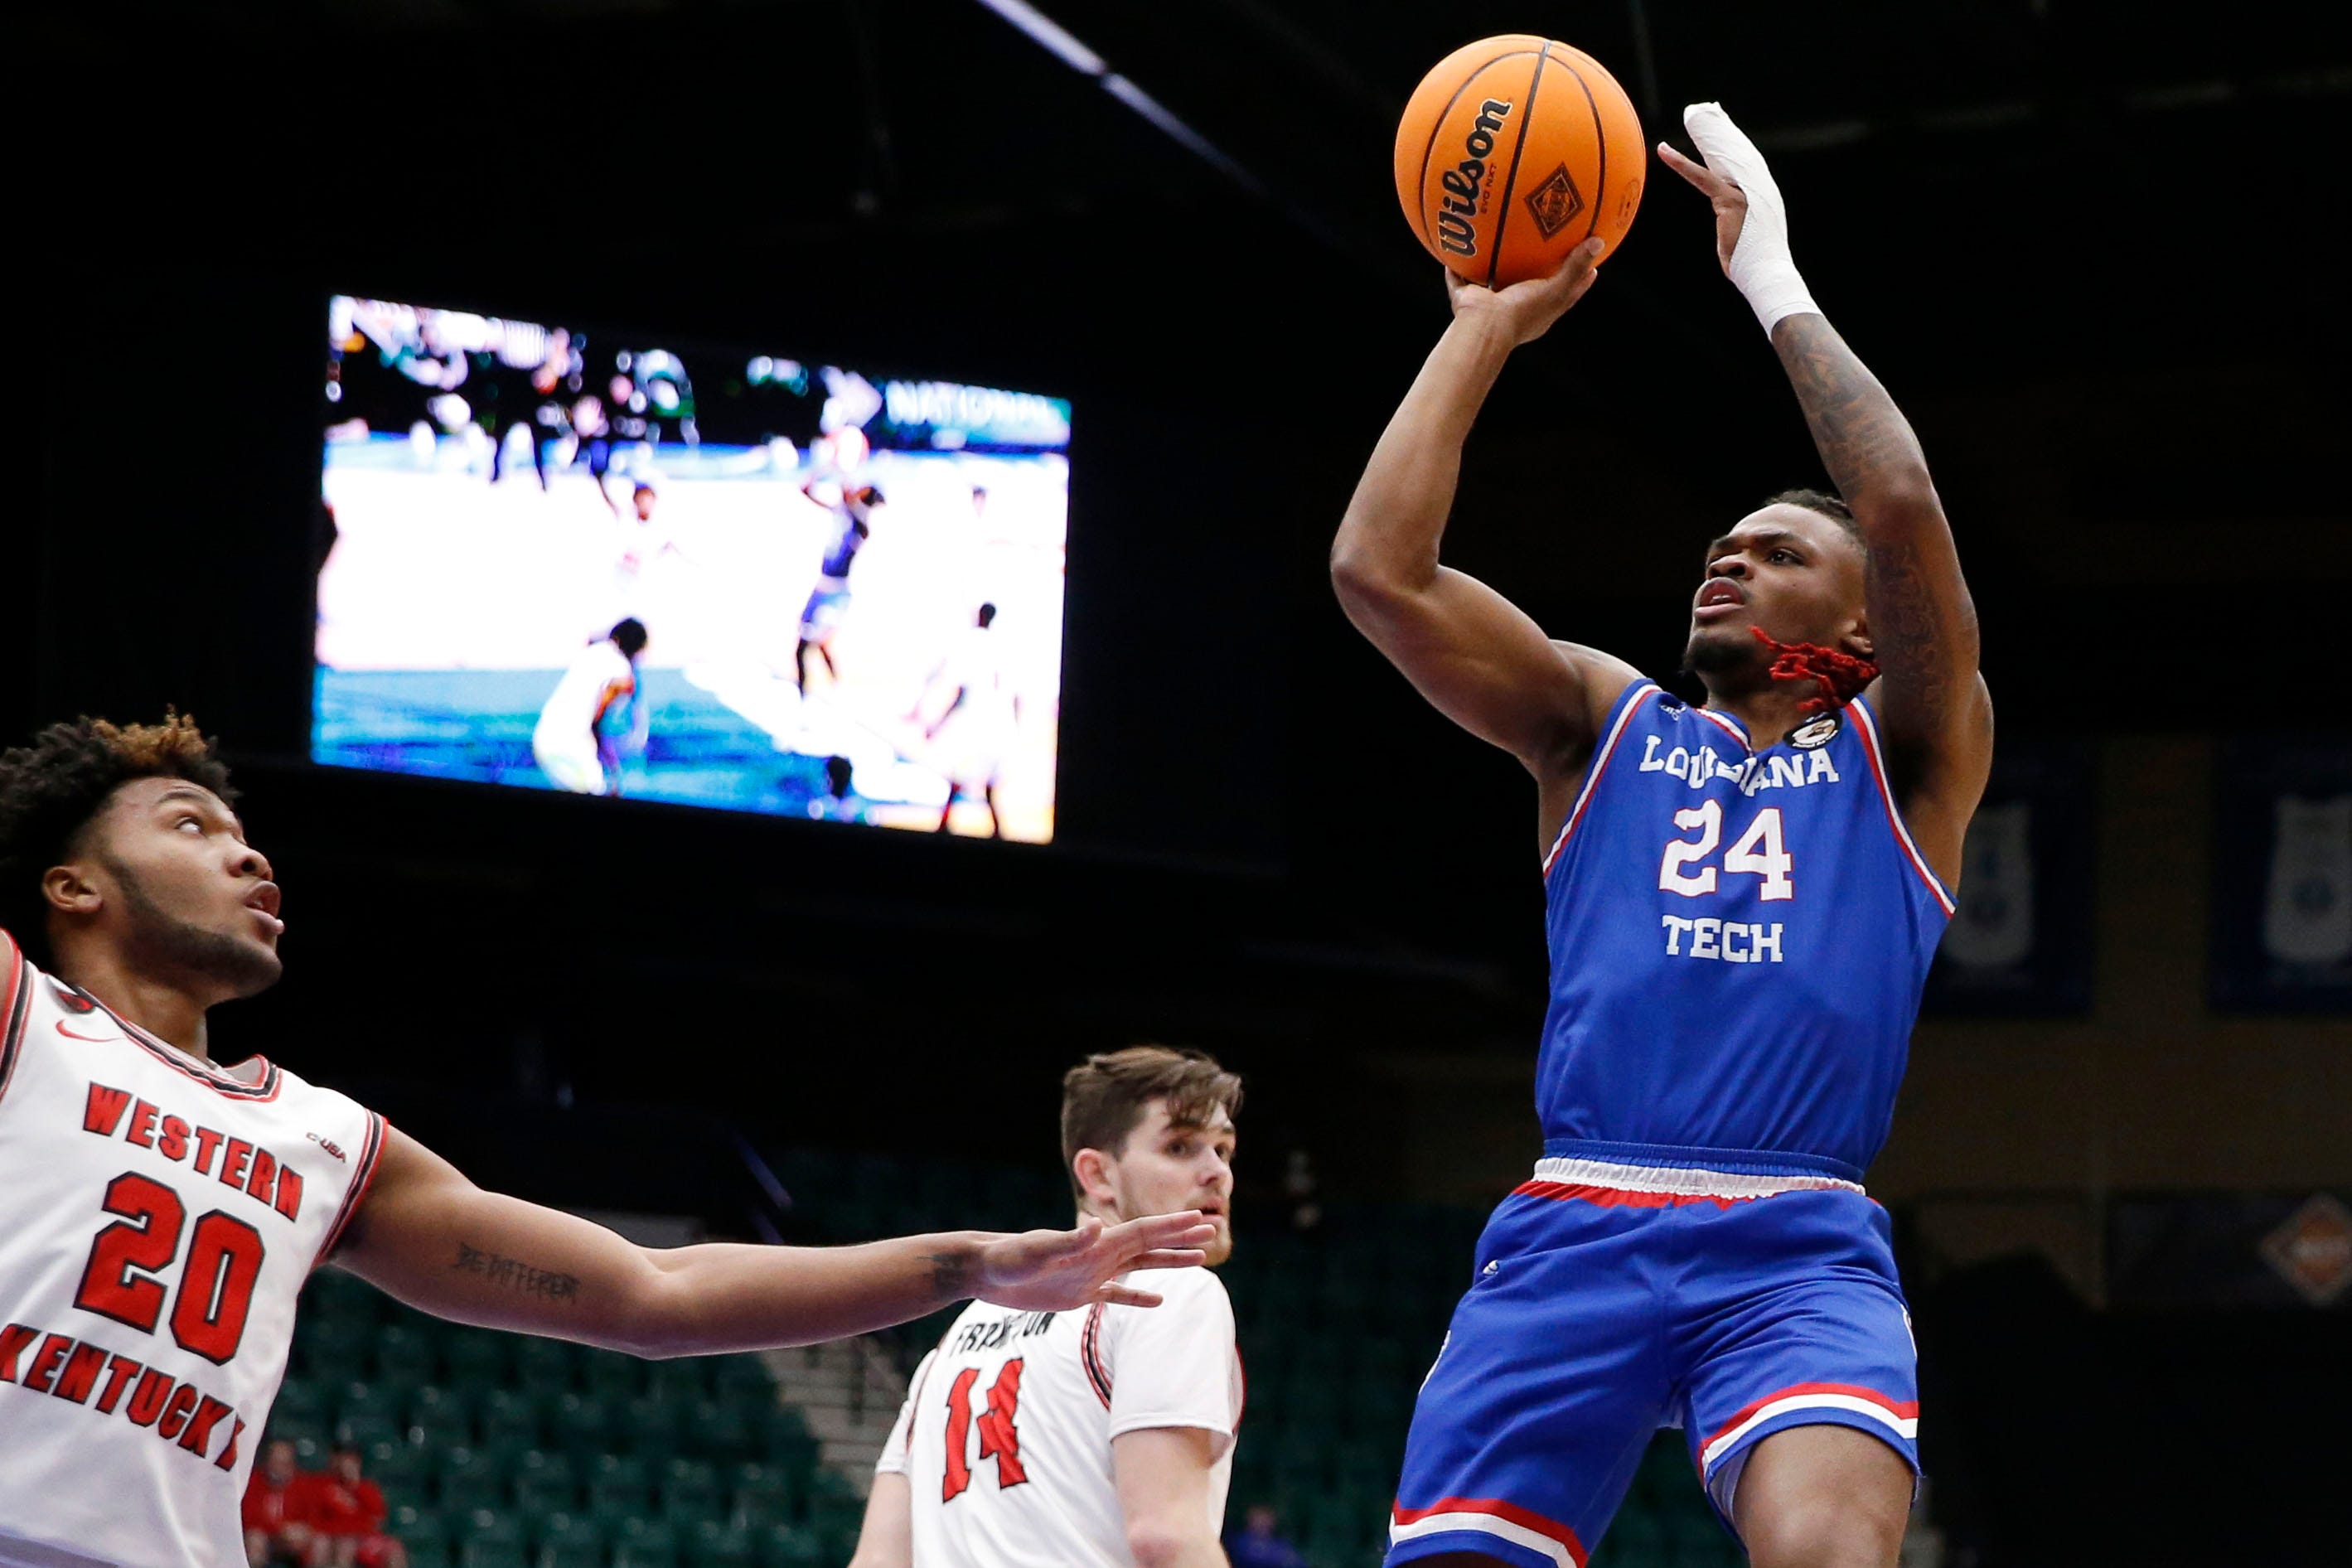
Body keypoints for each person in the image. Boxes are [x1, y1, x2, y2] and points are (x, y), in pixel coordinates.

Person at [0, 716, 1215, 1566]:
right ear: (72, 889)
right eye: (188, 826)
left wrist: (970, 1265)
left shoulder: (323, 1140)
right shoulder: (25, 1022)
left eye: (240, 830)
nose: (247, 851)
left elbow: (654, 1291)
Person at [1328, 104, 1993, 1568]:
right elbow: (1378, 572)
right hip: (1576, 1216)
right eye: (1720, 544)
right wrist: (1485, 328)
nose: (1728, 556)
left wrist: (1771, 281)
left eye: (1776, 551)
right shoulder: (1600, 723)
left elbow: (1894, 499)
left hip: (1794, 1236)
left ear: (1860, 620)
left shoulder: (1910, 750)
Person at [849, 1047, 1245, 1568]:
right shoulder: (1169, 1291)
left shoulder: (951, 1343)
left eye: (1223, 1150)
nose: (1216, 1172)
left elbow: (877, 1562)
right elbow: (1165, 1538)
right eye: (1180, 1147)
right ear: (1098, 1175)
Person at [917, 604, 1018, 837]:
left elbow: (960, 691)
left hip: (976, 723)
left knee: (960, 776)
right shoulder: (1001, 646)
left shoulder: (971, 644)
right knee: (985, 781)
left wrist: (938, 723)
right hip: (999, 723)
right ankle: (994, 830)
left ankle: (946, 825)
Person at [530, 619, 651, 797]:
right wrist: (614, 769)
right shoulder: (622, 673)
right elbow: (600, 721)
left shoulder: (593, 653)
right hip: (571, 743)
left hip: (544, 738)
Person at [794, 482, 882, 696]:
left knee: (807, 645)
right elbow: (806, 490)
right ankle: (833, 688)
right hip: (823, 589)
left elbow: (846, 496)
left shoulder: (860, 525)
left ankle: (809, 698)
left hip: (834, 593)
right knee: (817, 644)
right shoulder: (845, 513)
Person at [302, 1445, 404, 1568]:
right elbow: (316, 1520)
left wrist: (355, 1485)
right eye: (343, 1459)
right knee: (345, 1546)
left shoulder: (368, 1488)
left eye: (351, 1460)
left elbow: (378, 1520)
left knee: (395, 1549)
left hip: (364, 1538)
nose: (346, 1465)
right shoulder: (323, 1485)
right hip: (336, 1539)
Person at [241, 1438, 314, 1567]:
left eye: (284, 1463)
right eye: (275, 1462)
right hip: (264, 1539)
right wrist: (280, 1529)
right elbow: (248, 1519)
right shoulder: (253, 1482)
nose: (278, 1468)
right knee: (255, 1540)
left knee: (316, 1543)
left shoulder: (303, 1486)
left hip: (293, 1542)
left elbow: (313, 1519)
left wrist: (301, 1530)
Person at [1226, 1505, 1308, 1568]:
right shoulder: (1237, 1542)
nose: (1262, 1523)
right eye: (1259, 1518)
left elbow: (1298, 1563)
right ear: (1249, 1518)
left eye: (1266, 1519)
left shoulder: (1281, 1546)